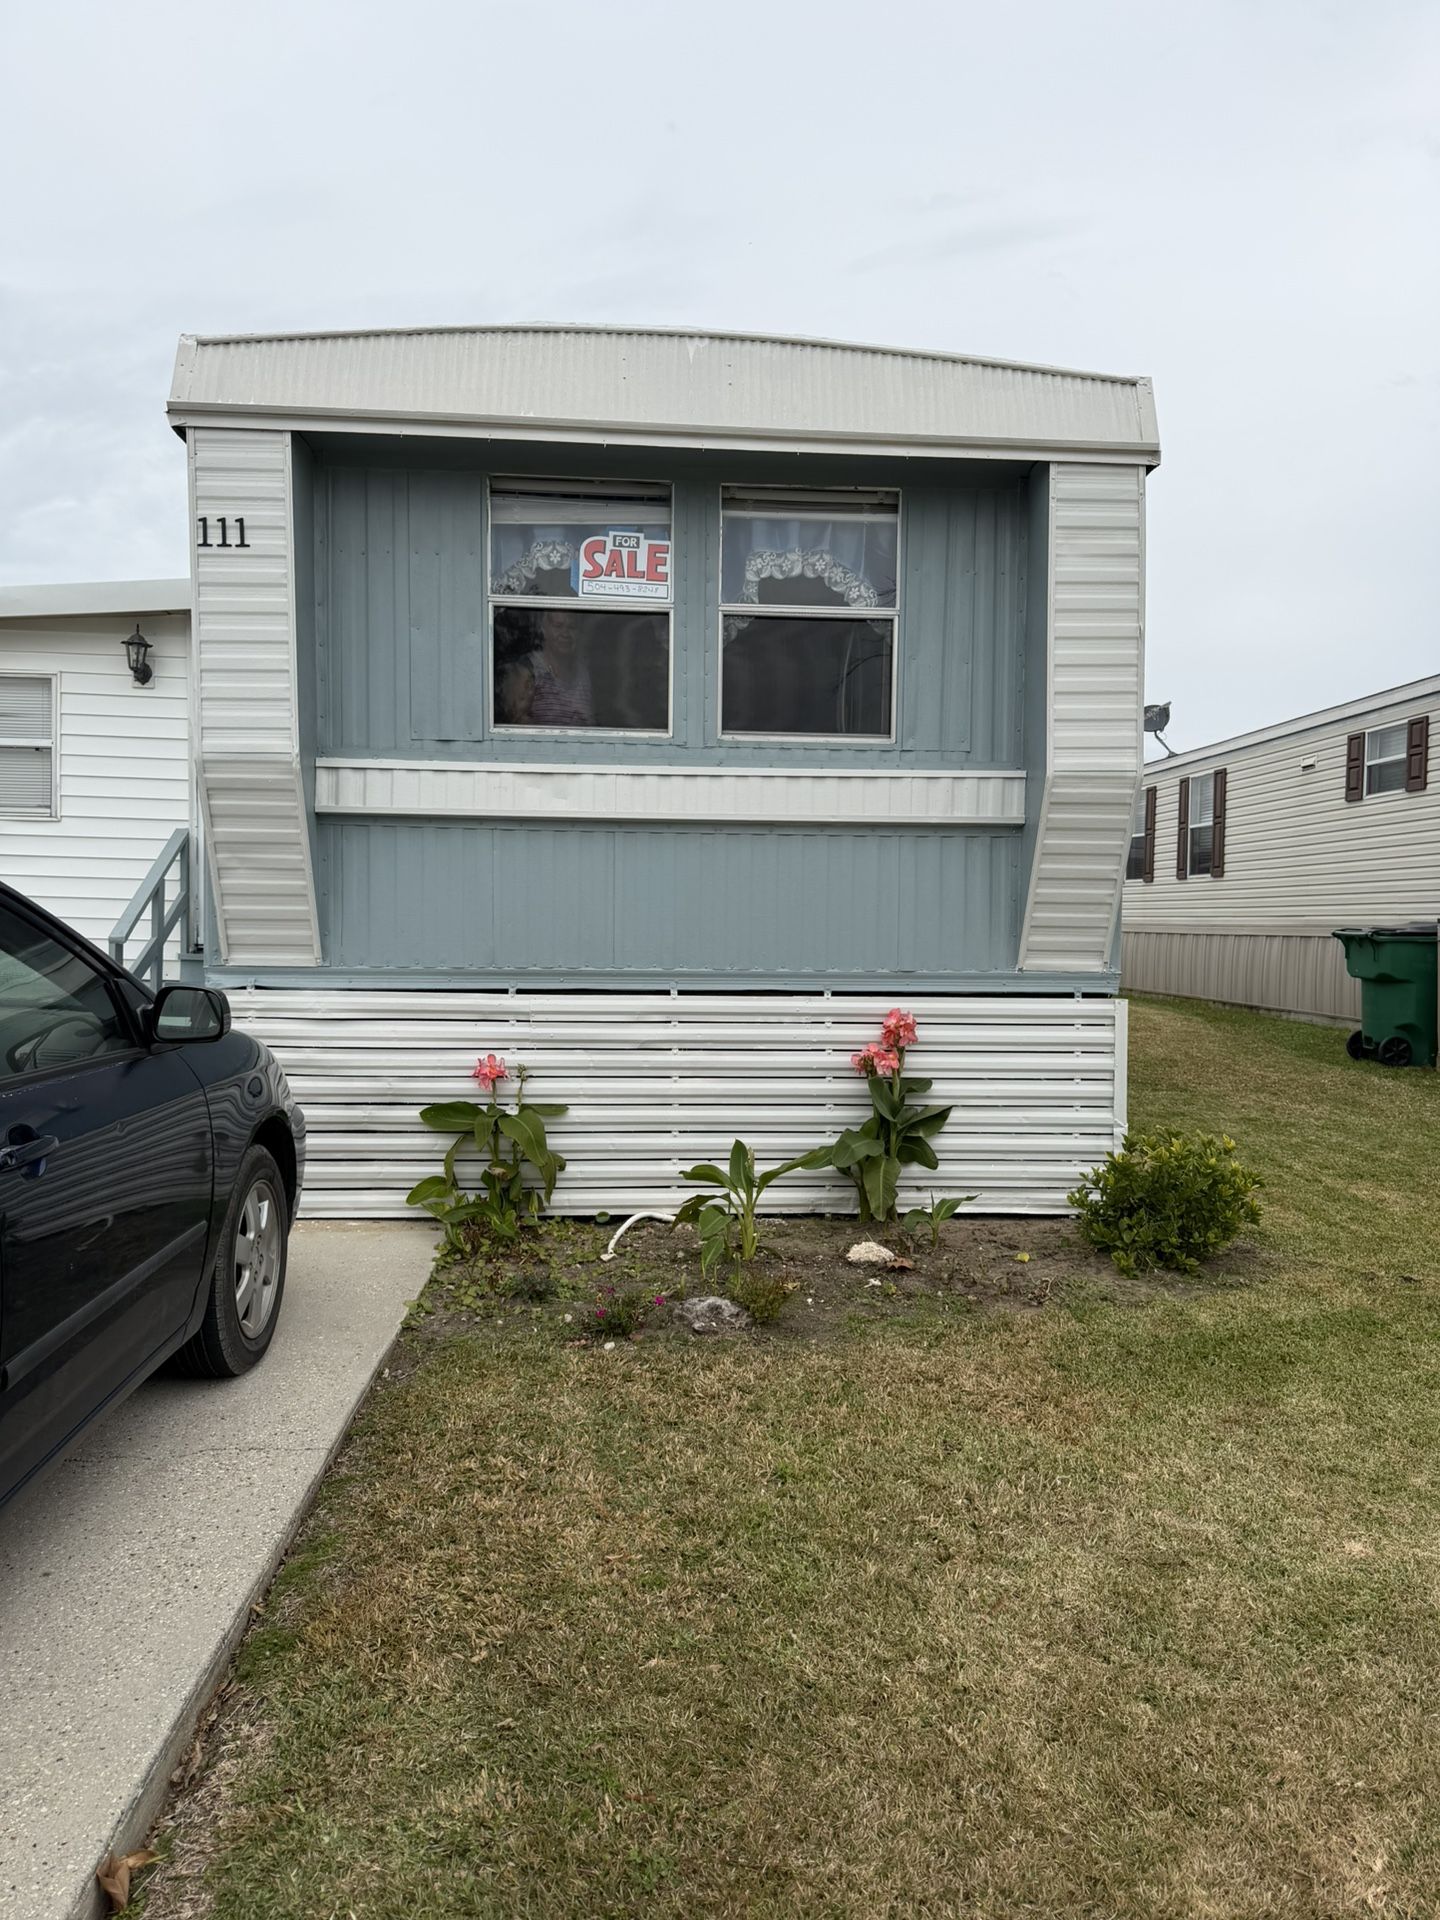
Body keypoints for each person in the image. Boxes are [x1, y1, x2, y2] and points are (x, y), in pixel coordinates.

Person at [501, 607, 593, 727]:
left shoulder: (583, 672)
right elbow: (515, 723)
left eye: (572, 627)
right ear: (544, 630)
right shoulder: (527, 670)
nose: (565, 633)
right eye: (558, 626)